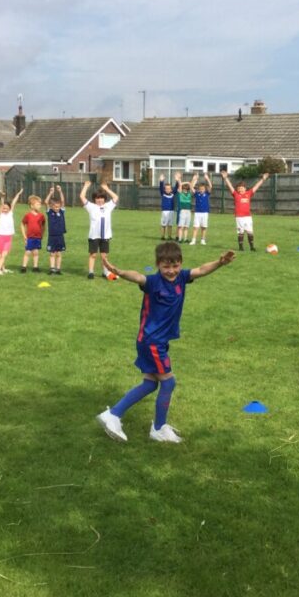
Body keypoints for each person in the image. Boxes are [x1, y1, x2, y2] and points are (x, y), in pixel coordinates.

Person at [95, 242, 236, 443]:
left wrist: (220, 263)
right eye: (166, 267)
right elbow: (137, 276)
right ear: (158, 265)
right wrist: (119, 271)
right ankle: (157, 428)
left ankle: (115, 414)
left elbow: (202, 270)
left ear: (180, 264)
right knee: (168, 382)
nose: (171, 271)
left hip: (156, 341)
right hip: (152, 341)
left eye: (175, 266)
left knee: (151, 383)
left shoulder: (182, 278)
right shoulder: (152, 282)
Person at [220, 170, 269, 251]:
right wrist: (225, 178)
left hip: (247, 217)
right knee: (240, 232)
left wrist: (263, 179)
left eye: (241, 188)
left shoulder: (249, 193)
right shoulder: (236, 194)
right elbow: (230, 187)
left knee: (250, 232)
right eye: (238, 188)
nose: (240, 189)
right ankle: (241, 247)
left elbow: (256, 186)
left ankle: (252, 247)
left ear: (245, 188)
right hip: (239, 217)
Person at [80, 180, 119, 279]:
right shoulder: (91, 207)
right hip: (94, 235)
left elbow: (115, 197)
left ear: (104, 199)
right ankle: (91, 272)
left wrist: (106, 189)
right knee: (93, 255)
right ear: (94, 199)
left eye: (101, 198)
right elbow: (82, 197)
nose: (100, 200)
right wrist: (86, 186)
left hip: (105, 235)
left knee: (104, 256)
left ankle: (105, 272)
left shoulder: (108, 206)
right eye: (97, 198)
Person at [0, 188, 23, 275]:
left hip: (8, 237)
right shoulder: (0, 215)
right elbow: (2, 204)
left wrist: (18, 194)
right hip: (1, 237)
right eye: (4, 208)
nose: (5, 210)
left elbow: (13, 202)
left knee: (2, 254)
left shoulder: (10, 213)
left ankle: (3, 268)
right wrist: (2, 197)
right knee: (2, 254)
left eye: (7, 208)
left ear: (10, 209)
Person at [20, 194, 46, 273]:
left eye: (40, 204)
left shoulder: (41, 216)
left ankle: (35, 267)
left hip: (37, 237)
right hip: (30, 237)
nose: (40, 206)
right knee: (28, 252)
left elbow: (44, 225)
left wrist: (42, 234)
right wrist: (24, 236)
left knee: (36, 252)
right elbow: (22, 224)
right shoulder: (28, 215)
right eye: (38, 204)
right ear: (32, 206)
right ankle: (24, 267)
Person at [45, 185, 67, 275]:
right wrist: (50, 193)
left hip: (60, 236)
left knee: (59, 253)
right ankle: (52, 269)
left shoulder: (61, 211)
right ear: (51, 206)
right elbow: (46, 201)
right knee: (52, 253)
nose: (57, 208)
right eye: (55, 207)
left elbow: (63, 201)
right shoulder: (50, 212)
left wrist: (60, 191)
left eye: (58, 206)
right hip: (52, 236)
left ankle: (58, 269)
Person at [188, 173, 211, 245]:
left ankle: (203, 240)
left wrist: (207, 179)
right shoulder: (197, 193)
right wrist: (194, 178)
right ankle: (193, 240)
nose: (201, 190)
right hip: (197, 213)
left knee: (204, 227)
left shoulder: (207, 193)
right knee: (195, 227)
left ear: (205, 189)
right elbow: (191, 187)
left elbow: (210, 186)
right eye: (200, 189)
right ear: (198, 189)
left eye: (203, 189)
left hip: (205, 213)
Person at [158, 174, 176, 240]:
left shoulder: (173, 193)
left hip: (171, 211)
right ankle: (162, 236)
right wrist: (161, 181)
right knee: (163, 224)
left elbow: (176, 187)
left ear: (171, 189)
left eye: (169, 188)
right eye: (166, 188)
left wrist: (177, 180)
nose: (168, 190)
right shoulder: (163, 193)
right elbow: (160, 187)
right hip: (164, 211)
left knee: (170, 225)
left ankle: (169, 236)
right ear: (164, 189)